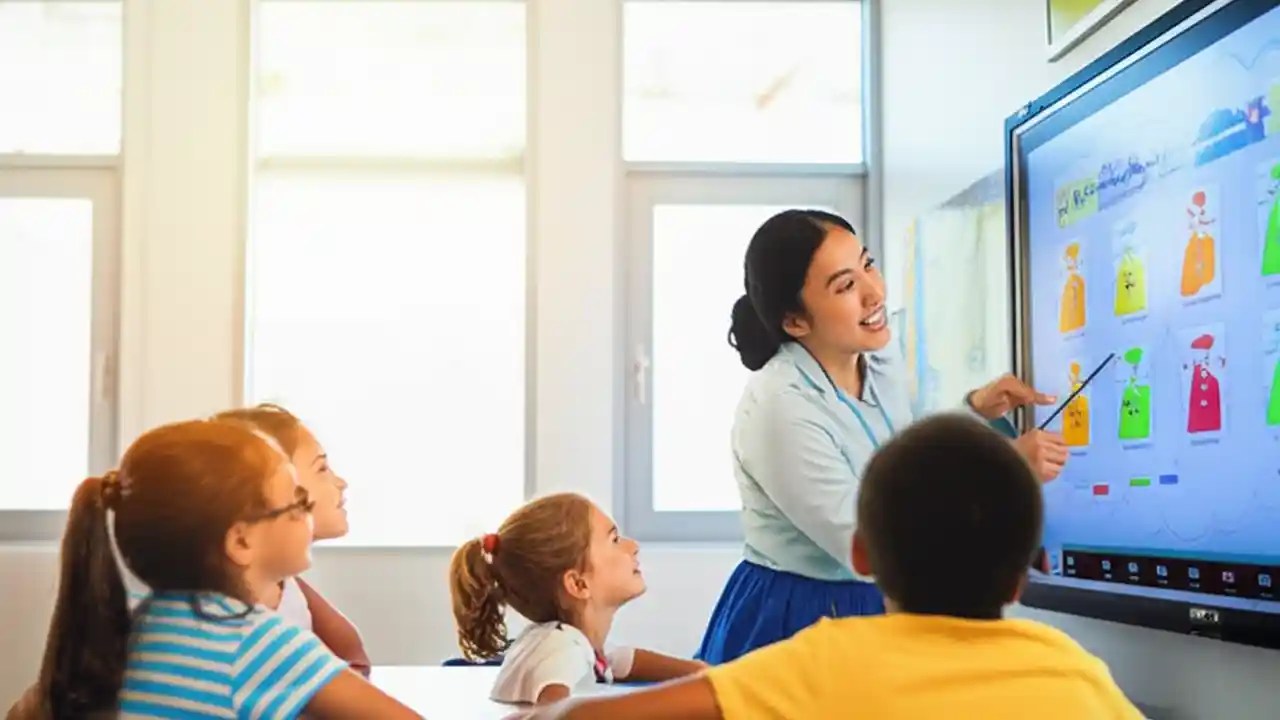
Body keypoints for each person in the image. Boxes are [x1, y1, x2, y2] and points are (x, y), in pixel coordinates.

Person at [502, 415, 1144, 720]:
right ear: (1019, 579)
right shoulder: (1076, 673)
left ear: (862, 554)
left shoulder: (822, 662)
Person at [699, 209, 1068, 663]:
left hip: (879, 605)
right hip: (800, 619)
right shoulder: (778, 407)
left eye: (868, 265)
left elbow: (901, 456)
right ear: (795, 321)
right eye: (845, 285)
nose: (874, 293)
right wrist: (1004, 475)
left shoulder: (875, 356)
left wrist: (972, 411)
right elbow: (869, 542)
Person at [11, 419, 419, 719]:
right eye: (296, 502)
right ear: (241, 541)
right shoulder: (258, 642)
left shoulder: (137, 623)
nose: (308, 509)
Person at [449, 493, 705, 705]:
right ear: (578, 584)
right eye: (614, 540)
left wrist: (705, 672)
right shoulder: (562, 649)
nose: (633, 545)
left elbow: (621, 660)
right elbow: (553, 711)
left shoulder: (570, 641)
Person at [212, 403, 370, 675]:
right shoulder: (244, 619)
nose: (341, 482)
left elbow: (353, 659)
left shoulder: (285, 585)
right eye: (322, 468)